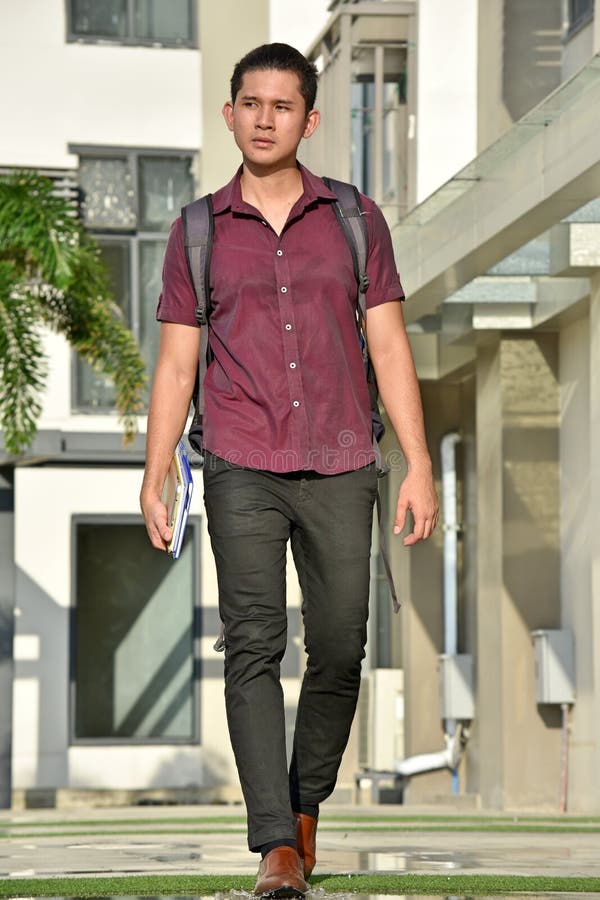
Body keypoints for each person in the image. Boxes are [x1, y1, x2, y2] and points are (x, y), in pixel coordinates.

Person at [140, 42, 438, 899]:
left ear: (309, 121)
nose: (264, 119)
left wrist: (417, 463)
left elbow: (387, 343)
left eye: (282, 107)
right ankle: (275, 845)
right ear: (229, 113)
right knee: (253, 646)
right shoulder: (196, 231)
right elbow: (174, 366)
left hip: (345, 458)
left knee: (342, 645)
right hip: (240, 461)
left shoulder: (354, 218)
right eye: (250, 103)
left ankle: (304, 809)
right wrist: (156, 471)